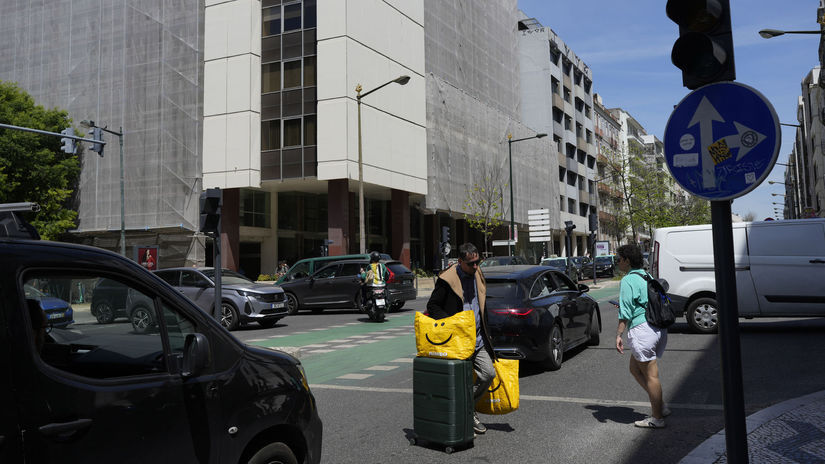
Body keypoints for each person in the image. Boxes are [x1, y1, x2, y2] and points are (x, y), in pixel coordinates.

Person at [426, 242, 497, 436]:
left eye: (478, 262)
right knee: (461, 381)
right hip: (457, 341)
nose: (475, 266)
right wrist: (452, 322)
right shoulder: (447, 280)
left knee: (488, 374)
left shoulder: (477, 273)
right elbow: (432, 306)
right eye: (471, 263)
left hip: (478, 339)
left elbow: (481, 305)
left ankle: (466, 407)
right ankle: (465, 415)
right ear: (460, 261)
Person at [614, 244, 670, 428]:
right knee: (635, 368)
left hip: (642, 330)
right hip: (656, 328)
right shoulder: (646, 275)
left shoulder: (628, 280)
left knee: (652, 376)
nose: (617, 262)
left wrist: (619, 334)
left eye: (619, 259)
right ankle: (659, 404)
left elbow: (626, 312)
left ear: (627, 260)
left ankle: (657, 418)